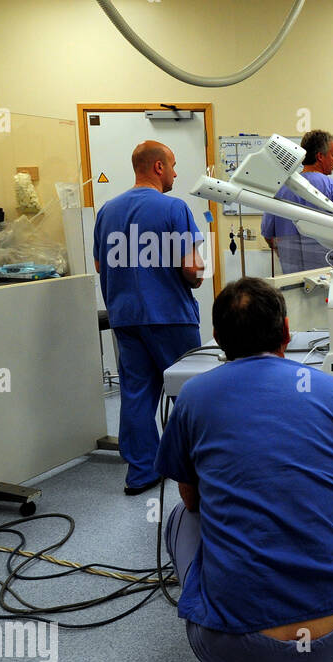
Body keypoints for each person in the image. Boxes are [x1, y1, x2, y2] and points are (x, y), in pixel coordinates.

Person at [156, 277, 333, 662]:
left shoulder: (194, 399)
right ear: (286, 333)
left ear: (218, 340)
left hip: (237, 649)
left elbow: (192, 499)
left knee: (181, 520)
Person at [93, 140, 204, 495]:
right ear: (158, 167)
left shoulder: (107, 211)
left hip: (125, 317)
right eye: (172, 164)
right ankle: (198, 468)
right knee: (190, 393)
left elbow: (100, 265)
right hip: (170, 315)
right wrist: (193, 273)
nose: (175, 172)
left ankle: (142, 473)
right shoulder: (174, 208)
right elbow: (192, 269)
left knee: (137, 394)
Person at [261, 130, 333, 273]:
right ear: (320, 156)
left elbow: (268, 235)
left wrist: (286, 255)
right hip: (328, 277)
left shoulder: (280, 189)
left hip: (292, 278)